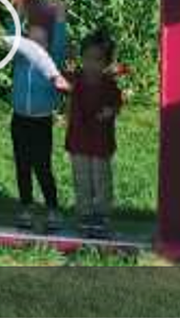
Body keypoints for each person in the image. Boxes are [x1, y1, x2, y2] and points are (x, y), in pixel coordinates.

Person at [8, 0, 68, 232]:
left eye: (39, 41)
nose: (33, 45)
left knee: (42, 167)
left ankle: (52, 209)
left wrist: (60, 12)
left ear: (48, 45)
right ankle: (25, 208)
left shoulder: (53, 59)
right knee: (22, 165)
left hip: (41, 122)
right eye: (29, 40)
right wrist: (20, 10)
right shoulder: (19, 59)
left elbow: (60, 37)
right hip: (19, 120)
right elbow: (11, 34)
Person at [66, 30, 123, 238]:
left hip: (100, 143)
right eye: (87, 58)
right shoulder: (77, 80)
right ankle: (85, 216)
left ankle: (102, 217)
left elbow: (116, 103)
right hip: (78, 141)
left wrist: (111, 110)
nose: (91, 64)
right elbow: (59, 75)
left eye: (97, 60)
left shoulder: (109, 85)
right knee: (82, 179)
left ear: (106, 62)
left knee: (101, 180)